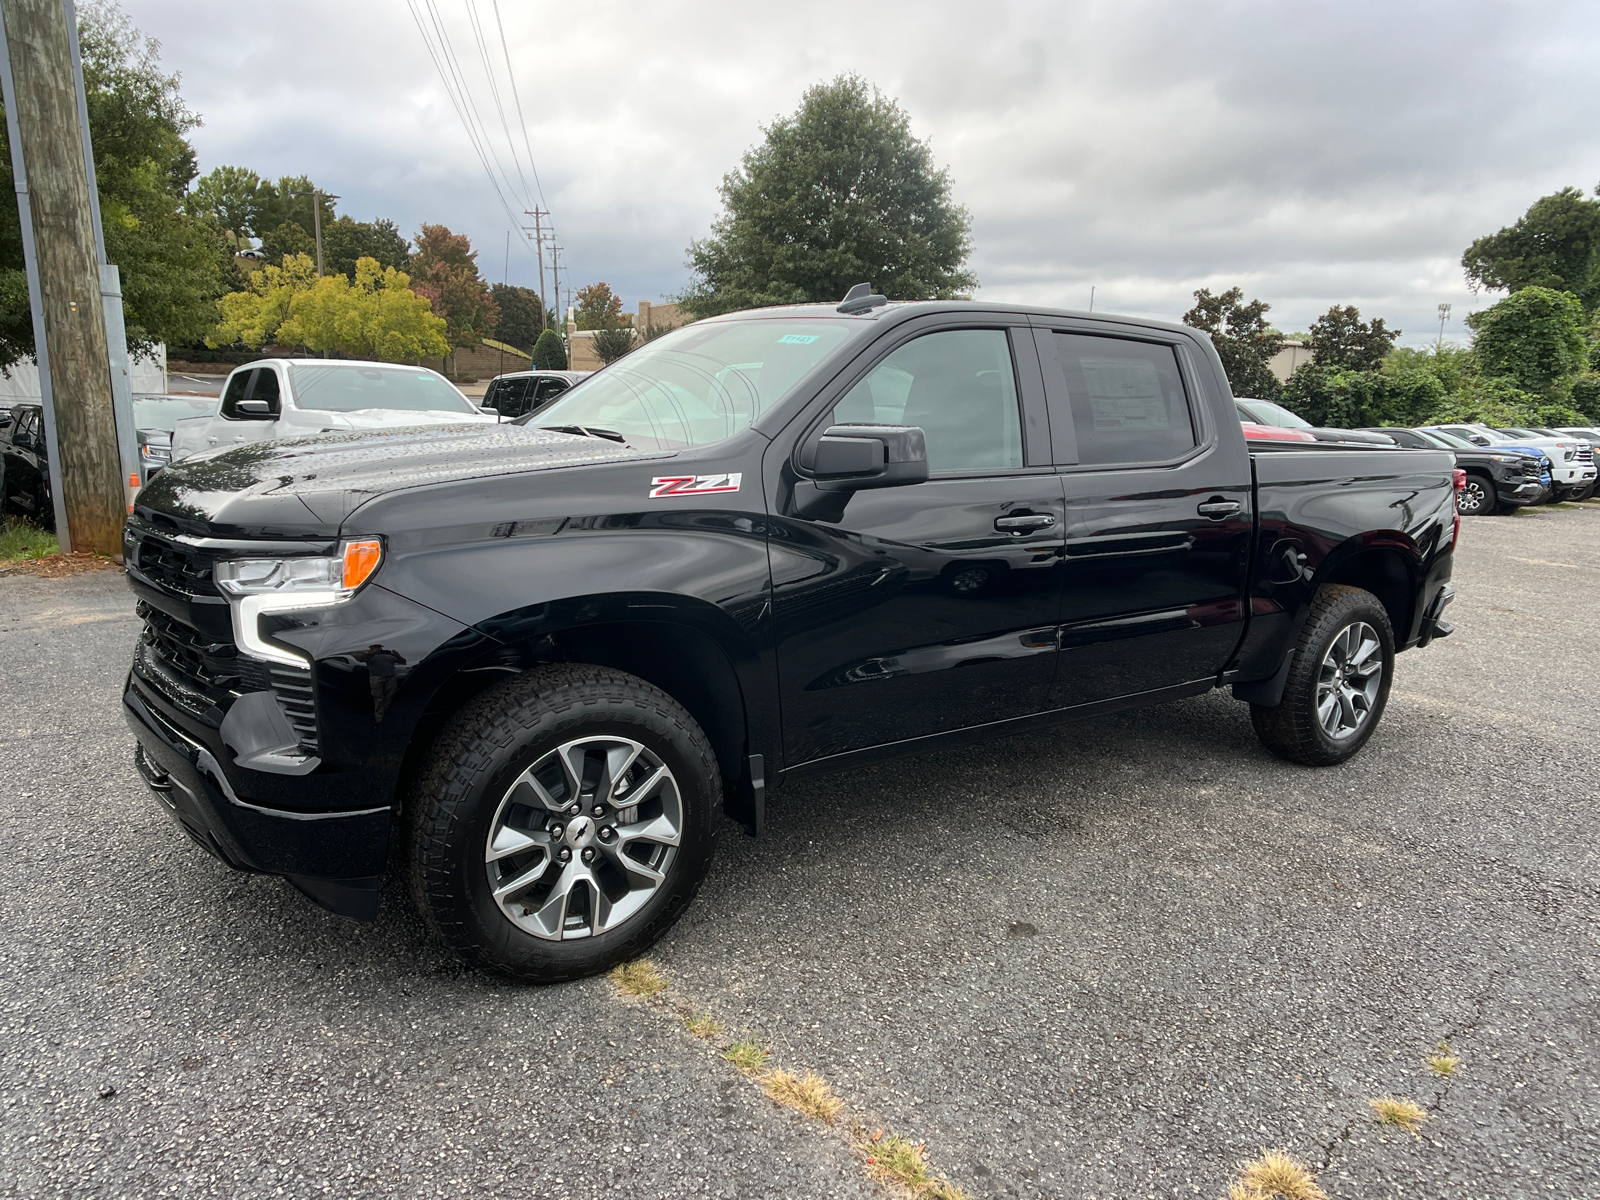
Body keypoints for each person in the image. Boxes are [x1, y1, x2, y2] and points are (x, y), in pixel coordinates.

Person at [352, 644, 407, 723]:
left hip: (390, 677)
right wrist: (371, 654)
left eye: (379, 648)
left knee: (389, 697)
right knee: (378, 698)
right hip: (376, 677)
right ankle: (379, 719)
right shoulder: (369, 656)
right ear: (371, 648)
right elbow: (360, 659)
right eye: (376, 648)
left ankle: (387, 716)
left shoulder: (390, 656)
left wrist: (397, 655)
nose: (378, 649)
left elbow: (403, 661)